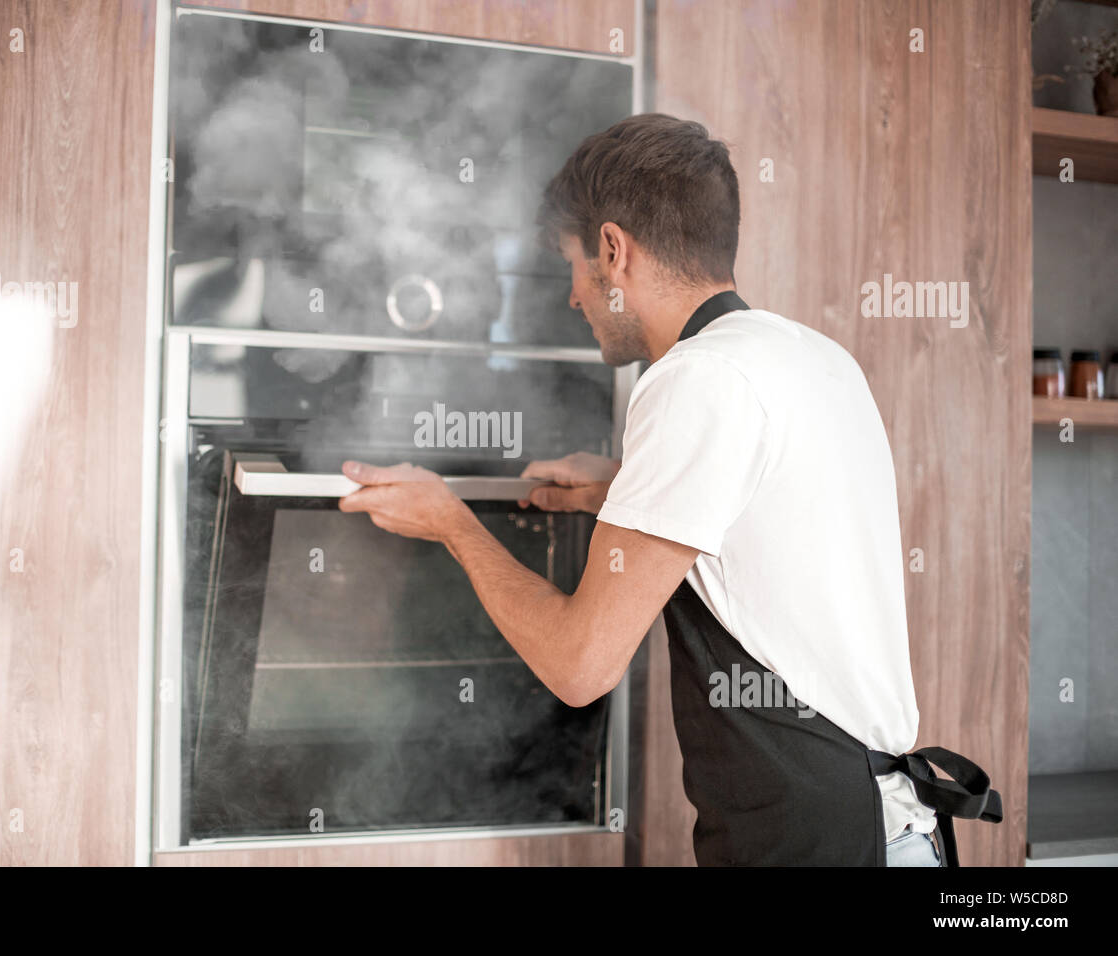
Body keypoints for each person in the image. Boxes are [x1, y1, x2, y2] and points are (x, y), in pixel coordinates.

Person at [338, 113, 999, 865]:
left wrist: (451, 523)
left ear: (614, 250)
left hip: (822, 843)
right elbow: (767, 529)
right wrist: (621, 489)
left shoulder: (692, 380)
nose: (572, 298)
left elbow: (579, 666)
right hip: (884, 830)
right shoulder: (807, 355)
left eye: (573, 266)